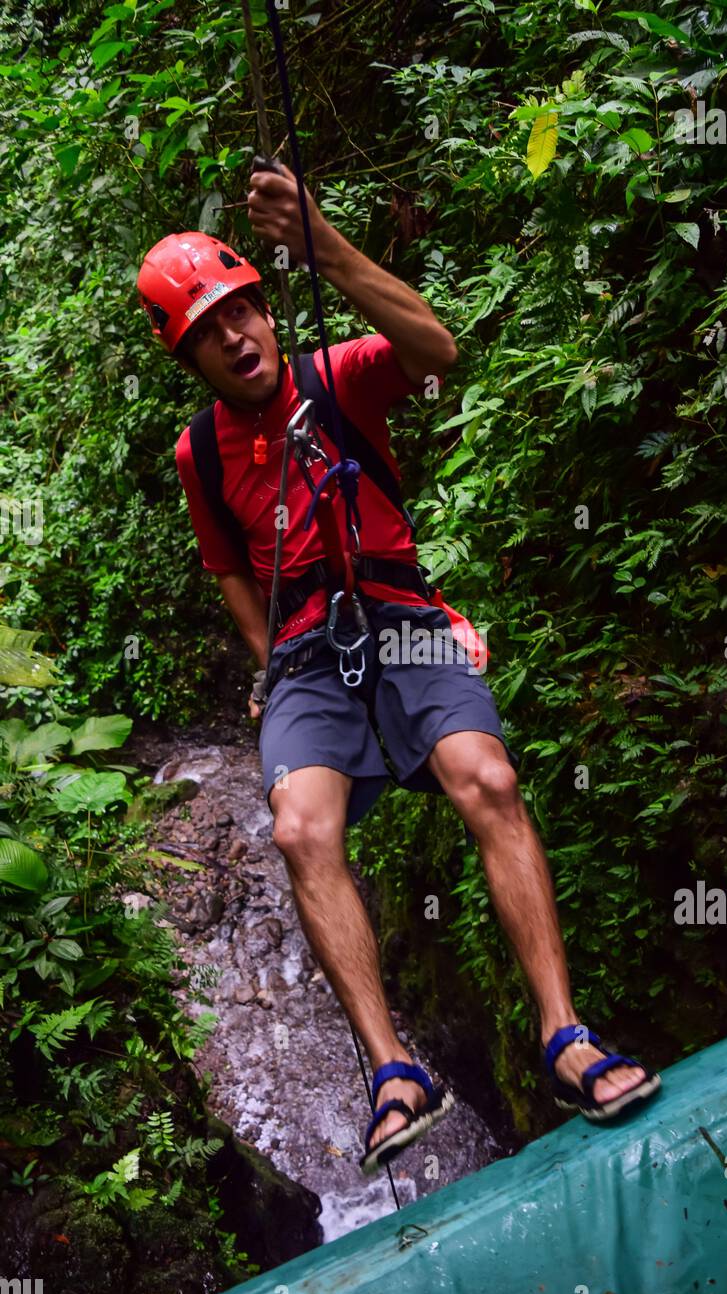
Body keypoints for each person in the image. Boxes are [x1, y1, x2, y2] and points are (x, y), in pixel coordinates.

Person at [137, 160, 661, 1175]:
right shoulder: (198, 453)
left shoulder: (335, 375)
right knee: (297, 825)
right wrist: (274, 672)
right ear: (186, 353)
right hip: (303, 655)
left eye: (244, 309)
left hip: (404, 615)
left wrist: (318, 244)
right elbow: (232, 577)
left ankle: (561, 1035)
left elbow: (435, 348)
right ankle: (392, 1070)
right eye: (209, 329)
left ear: (265, 305)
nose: (237, 335)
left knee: (488, 778)